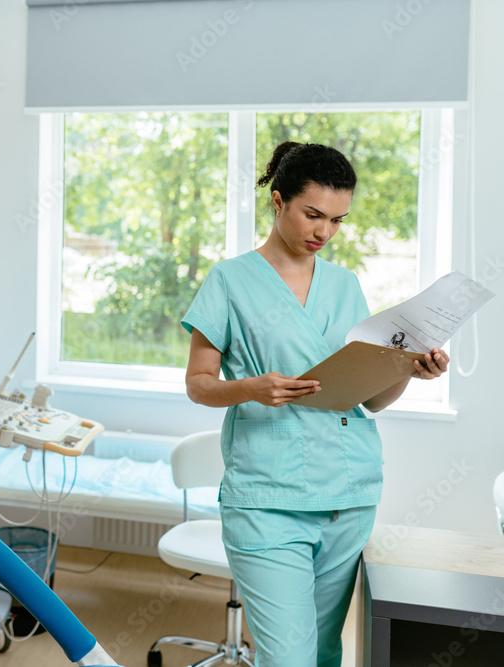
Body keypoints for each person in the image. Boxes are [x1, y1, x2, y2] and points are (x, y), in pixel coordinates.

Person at [180, 141, 449, 666]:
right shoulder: (230, 281)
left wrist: (410, 372)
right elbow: (199, 384)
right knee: (287, 659)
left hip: (347, 495)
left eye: (337, 220)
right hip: (267, 499)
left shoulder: (345, 285)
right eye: (313, 214)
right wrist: (252, 388)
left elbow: (371, 398)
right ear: (278, 201)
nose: (323, 232)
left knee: (325, 653)